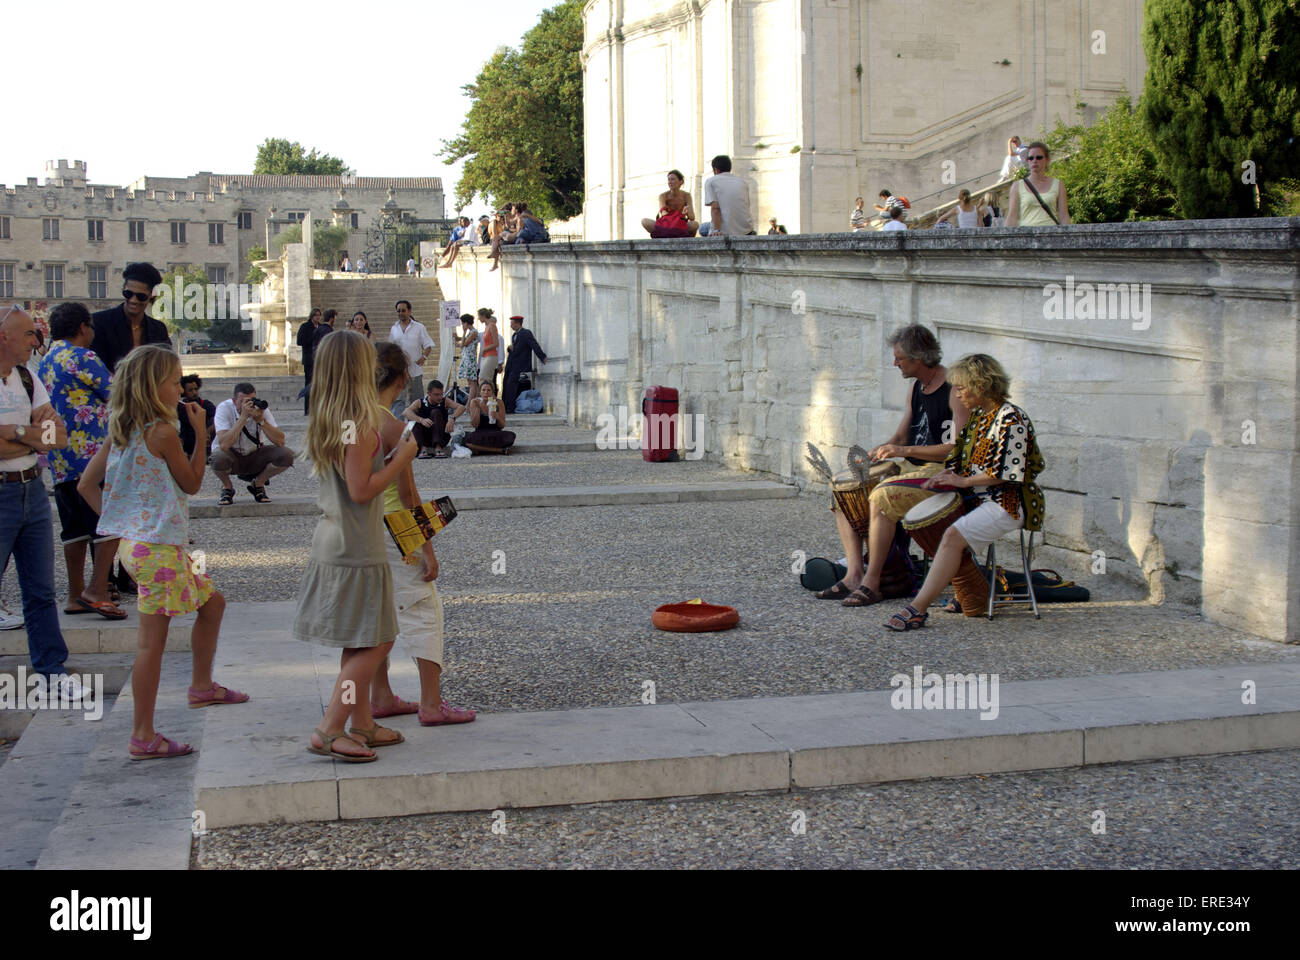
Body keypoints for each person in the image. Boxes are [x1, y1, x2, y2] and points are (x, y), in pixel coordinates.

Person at [79, 345, 248, 758]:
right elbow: (192, 483)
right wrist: (202, 434)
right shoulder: (162, 432)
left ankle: (202, 686)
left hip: (141, 547)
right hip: (158, 551)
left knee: (213, 605)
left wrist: (122, 523)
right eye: (174, 382)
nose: (181, 388)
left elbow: (86, 485)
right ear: (153, 387)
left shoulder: (122, 429)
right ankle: (143, 734)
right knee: (150, 645)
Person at [295, 330, 420, 761]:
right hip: (356, 547)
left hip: (338, 540)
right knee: (379, 641)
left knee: (360, 640)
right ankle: (330, 728)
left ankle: (361, 721)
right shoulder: (360, 424)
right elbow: (361, 489)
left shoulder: (334, 418)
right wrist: (401, 458)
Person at [883, 353, 1045, 631]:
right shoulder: (979, 417)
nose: (956, 394)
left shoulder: (1011, 419)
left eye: (961, 387)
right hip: (977, 498)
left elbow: (1006, 473)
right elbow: (958, 455)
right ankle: (968, 588)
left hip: (1007, 503)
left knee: (950, 535)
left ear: (981, 385)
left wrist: (963, 482)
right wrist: (947, 476)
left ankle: (917, 609)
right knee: (926, 520)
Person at [815, 324, 968, 607]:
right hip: (911, 468)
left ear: (919, 358)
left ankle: (872, 583)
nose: (895, 363)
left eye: (899, 358)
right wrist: (880, 450)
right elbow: (901, 436)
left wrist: (903, 450)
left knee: (881, 496)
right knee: (843, 492)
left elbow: (957, 450)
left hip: (940, 472)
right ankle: (854, 575)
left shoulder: (954, 389)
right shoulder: (916, 387)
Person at [368, 343, 476, 726]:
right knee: (425, 610)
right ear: (402, 380)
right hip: (396, 528)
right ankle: (431, 702)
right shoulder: (394, 428)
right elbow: (409, 496)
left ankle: (380, 694)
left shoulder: (352, 419)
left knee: (378, 611)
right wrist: (427, 548)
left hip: (362, 531)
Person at [0, 305, 81, 700]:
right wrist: (33, 435)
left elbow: (57, 438)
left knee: (40, 590)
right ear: (4, 337)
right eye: (30, 333)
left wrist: (15, 432)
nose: (36, 341)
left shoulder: (27, 378)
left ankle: (51, 670)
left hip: (31, 489)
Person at [37, 303, 122, 620]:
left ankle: (75, 595)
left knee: (73, 531)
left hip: (59, 458)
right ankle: (98, 590)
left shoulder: (44, 362)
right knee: (107, 525)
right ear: (83, 327)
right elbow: (114, 393)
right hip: (91, 454)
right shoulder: (82, 356)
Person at [210, 382, 295, 505]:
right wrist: (243, 418)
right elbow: (224, 444)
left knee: (287, 455)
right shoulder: (224, 408)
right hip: (231, 455)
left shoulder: (260, 409)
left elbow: (280, 441)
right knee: (218, 457)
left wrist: (261, 420)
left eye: (251, 400)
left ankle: (258, 484)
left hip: (254, 453)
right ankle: (227, 487)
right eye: (243, 401)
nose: (249, 405)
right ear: (234, 401)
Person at [90, 261, 171, 374]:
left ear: (152, 296)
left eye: (141, 296)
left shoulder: (159, 330)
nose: (133, 300)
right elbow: (94, 368)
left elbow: (167, 368)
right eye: (128, 294)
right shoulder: (99, 323)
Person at [1006, 142, 1070, 227]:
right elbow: (1012, 217)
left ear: (1047, 160)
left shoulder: (1058, 185)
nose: (1034, 161)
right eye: (1031, 158)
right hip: (1027, 233)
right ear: (1027, 161)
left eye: (1039, 157)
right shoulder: (1017, 186)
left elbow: (1064, 216)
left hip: (1051, 232)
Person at [388, 300, 434, 415]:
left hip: (415, 371)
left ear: (409, 311)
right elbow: (391, 348)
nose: (400, 313)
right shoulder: (394, 329)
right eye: (398, 311)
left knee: (417, 401)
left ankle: (417, 423)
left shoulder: (419, 327)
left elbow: (428, 345)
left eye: (403, 310)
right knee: (398, 401)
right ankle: (399, 424)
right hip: (399, 371)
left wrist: (424, 357)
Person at [404, 379, 466, 458]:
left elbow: (462, 407)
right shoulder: (420, 402)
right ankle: (423, 448)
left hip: (441, 435)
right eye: (436, 395)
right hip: (424, 436)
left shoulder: (444, 401)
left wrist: (452, 418)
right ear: (429, 394)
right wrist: (421, 420)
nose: (440, 397)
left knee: (436, 412)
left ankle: (438, 447)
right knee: (413, 417)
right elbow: (406, 412)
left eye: (441, 394)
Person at [699, 155, 755, 237]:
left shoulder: (711, 181)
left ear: (715, 169)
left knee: (702, 228)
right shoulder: (742, 182)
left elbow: (715, 208)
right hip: (746, 229)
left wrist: (716, 230)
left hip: (725, 230)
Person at [502, 314, 547, 413]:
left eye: (512, 324)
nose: (510, 326)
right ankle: (506, 406)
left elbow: (534, 345)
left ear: (517, 323)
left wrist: (542, 356)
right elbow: (514, 349)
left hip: (520, 364)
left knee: (511, 385)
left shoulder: (526, 333)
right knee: (507, 383)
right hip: (511, 364)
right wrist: (509, 348)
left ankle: (510, 408)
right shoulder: (514, 335)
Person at [462, 378, 515, 454]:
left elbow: (502, 425)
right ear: (480, 392)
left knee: (510, 436)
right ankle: (499, 450)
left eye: (488, 390)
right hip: (480, 432)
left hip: (495, 432)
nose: (486, 392)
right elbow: (475, 424)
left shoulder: (499, 402)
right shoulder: (475, 402)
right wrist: (478, 408)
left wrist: (497, 417)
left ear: (492, 392)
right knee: (465, 439)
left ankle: (480, 449)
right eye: (483, 390)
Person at [641, 169, 699, 238]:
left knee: (695, 224)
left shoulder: (686, 195)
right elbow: (663, 213)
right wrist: (678, 215)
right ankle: (669, 233)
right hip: (665, 225)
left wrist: (686, 212)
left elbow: (692, 217)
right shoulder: (663, 196)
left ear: (681, 182)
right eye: (669, 180)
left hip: (680, 225)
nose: (670, 182)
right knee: (645, 221)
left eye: (672, 179)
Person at [177, 375, 216, 459]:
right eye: (190, 390)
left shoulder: (205, 404)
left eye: (196, 389)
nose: (194, 392)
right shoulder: (180, 407)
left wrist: (207, 431)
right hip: (187, 442)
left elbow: (217, 418)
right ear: (184, 391)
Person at [296, 307, 323, 413]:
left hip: (319, 359)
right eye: (316, 315)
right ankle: (307, 408)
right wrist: (313, 337)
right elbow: (299, 341)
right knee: (309, 383)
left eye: (319, 315)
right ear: (312, 316)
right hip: (309, 359)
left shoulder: (321, 327)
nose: (317, 317)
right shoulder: (305, 326)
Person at [476, 308, 501, 398]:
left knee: (484, 380)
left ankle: (491, 401)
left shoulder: (492, 326)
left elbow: (496, 343)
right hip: (486, 356)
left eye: (479, 316)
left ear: (483, 316)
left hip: (491, 355)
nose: (478, 318)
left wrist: (484, 349)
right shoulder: (487, 327)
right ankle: (490, 402)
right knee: (483, 380)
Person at [456, 314, 480, 400]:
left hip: (470, 359)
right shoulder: (471, 332)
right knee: (471, 383)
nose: (462, 325)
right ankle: (474, 401)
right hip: (467, 359)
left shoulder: (474, 332)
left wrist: (464, 332)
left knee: (472, 383)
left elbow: (464, 344)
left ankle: (469, 403)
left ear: (466, 323)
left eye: (463, 323)